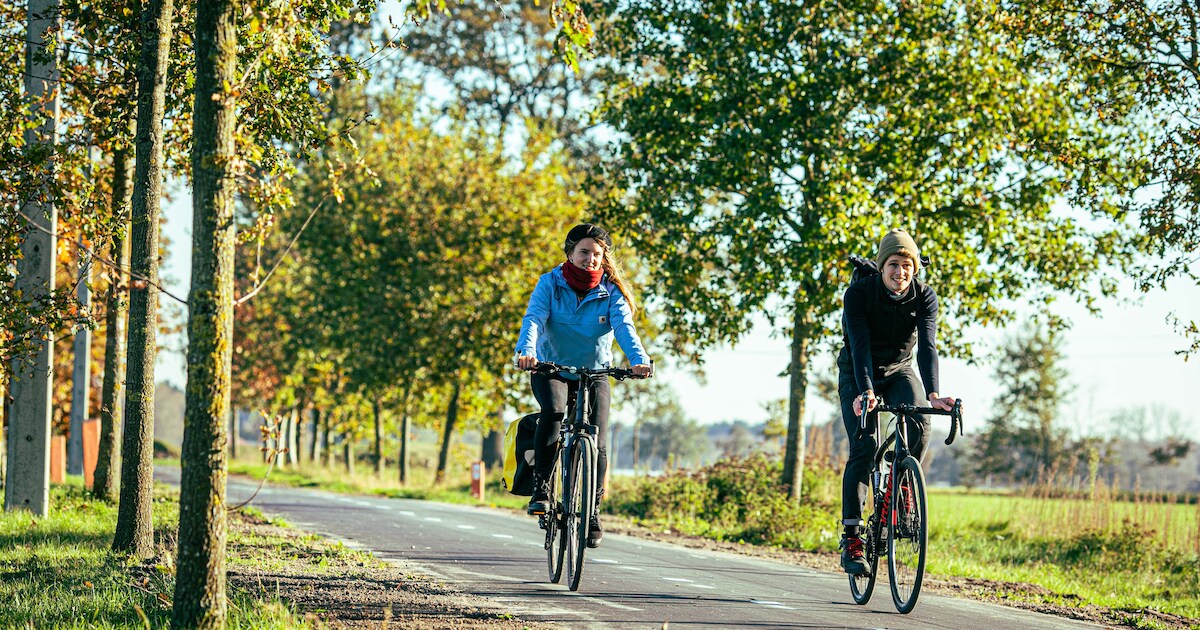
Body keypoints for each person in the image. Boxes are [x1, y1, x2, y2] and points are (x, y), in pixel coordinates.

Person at [514, 223, 653, 548]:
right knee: (555, 413)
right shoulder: (550, 283)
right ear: (570, 253)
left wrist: (639, 358)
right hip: (551, 368)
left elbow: (623, 326)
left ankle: (591, 511)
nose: (591, 259)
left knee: (599, 441)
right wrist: (527, 351)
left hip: (594, 373)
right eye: (584, 252)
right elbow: (533, 318)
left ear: (604, 258)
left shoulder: (610, 291)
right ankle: (542, 491)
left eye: (597, 254)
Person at [837, 228, 956, 575]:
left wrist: (934, 393)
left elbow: (928, 347)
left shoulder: (925, 297)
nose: (900, 272)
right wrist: (866, 391)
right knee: (863, 444)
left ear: (914, 268)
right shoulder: (858, 294)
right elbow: (858, 347)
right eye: (893, 264)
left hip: (900, 370)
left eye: (907, 265)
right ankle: (853, 537)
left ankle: (901, 489)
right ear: (881, 265)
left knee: (921, 423)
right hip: (858, 373)